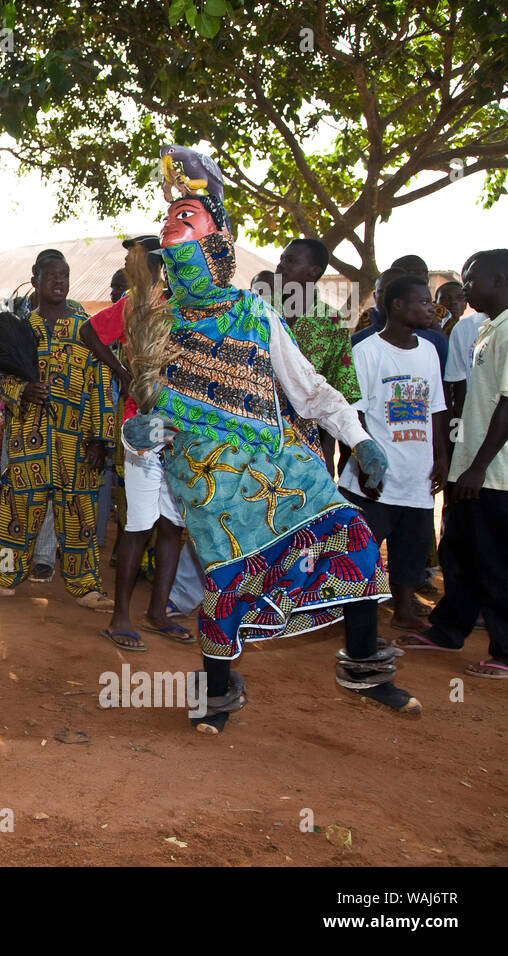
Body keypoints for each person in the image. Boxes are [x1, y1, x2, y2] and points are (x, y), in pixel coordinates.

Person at [122, 145, 419, 733]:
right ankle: (217, 694)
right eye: (168, 220)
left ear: (218, 240)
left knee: (355, 542)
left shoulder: (254, 314)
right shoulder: (155, 325)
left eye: (189, 216)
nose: (173, 227)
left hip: (281, 462)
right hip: (207, 478)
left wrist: (357, 438)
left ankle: (363, 666)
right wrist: (140, 434)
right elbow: (148, 419)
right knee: (229, 581)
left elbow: (308, 389)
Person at [0, 250, 116, 609]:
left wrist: (101, 439)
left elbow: (101, 384)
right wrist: (22, 390)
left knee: (79, 514)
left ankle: (87, 587)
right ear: (34, 281)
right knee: (15, 515)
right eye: (51, 275)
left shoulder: (85, 328)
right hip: (26, 442)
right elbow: (0, 377)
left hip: (76, 443)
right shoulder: (21, 329)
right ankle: (3, 577)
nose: (60, 281)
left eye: (64, 275)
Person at [394, 249, 508, 679]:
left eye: (473, 279)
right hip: (471, 466)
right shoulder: (484, 329)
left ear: (499, 281)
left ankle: (505, 651)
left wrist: (478, 468)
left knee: (496, 561)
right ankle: (448, 629)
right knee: (458, 553)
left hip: (495, 474)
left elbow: (507, 406)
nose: (465, 288)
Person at [79, 235, 194, 648]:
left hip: (184, 430)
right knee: (139, 524)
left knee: (172, 526)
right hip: (144, 424)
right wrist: (126, 374)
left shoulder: (189, 306)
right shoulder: (135, 305)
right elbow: (89, 332)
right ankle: (120, 616)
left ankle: (157, 612)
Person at [339, 275, 448, 631]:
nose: (429, 308)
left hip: (417, 473)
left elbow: (437, 408)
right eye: (422, 301)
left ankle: (403, 611)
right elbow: (354, 413)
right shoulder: (367, 351)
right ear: (398, 306)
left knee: (412, 548)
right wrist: (367, 465)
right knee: (362, 550)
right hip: (376, 479)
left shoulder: (430, 350)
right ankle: (354, 619)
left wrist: (442, 457)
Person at [276, 238, 361, 477]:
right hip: (255, 440)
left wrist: (327, 453)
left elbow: (340, 391)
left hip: (307, 447)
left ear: (314, 271)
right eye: (281, 259)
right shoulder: (259, 310)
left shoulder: (332, 321)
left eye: (290, 261)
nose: (280, 266)